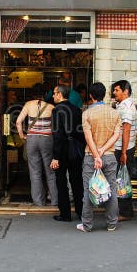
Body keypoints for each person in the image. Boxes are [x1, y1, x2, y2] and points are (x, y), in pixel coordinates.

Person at [78, 82, 121, 232]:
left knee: (88, 190)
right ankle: (112, 224)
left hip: (91, 157)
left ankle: (87, 225)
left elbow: (88, 137)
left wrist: (96, 155)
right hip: (109, 156)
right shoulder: (114, 113)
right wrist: (103, 150)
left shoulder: (87, 114)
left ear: (91, 96)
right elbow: (117, 135)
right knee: (111, 190)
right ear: (105, 95)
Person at [16, 85, 58, 207]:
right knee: (50, 171)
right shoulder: (51, 107)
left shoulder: (28, 105)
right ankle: (55, 201)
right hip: (47, 139)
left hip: (32, 139)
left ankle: (38, 202)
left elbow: (18, 122)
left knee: (35, 171)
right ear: (45, 94)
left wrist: (22, 135)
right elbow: (55, 127)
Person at [50, 84, 86, 221]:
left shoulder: (57, 110)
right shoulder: (77, 110)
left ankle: (65, 213)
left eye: (54, 93)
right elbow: (81, 131)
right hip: (76, 149)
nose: (53, 96)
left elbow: (57, 135)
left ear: (60, 94)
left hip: (63, 150)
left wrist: (55, 157)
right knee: (77, 181)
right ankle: (81, 211)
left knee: (61, 181)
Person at [111, 80, 137, 221]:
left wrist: (124, 153)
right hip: (121, 147)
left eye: (117, 90)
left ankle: (125, 212)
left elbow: (126, 130)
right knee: (120, 179)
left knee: (122, 180)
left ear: (125, 91)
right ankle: (125, 210)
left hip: (123, 148)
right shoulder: (121, 105)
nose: (114, 92)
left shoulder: (127, 107)